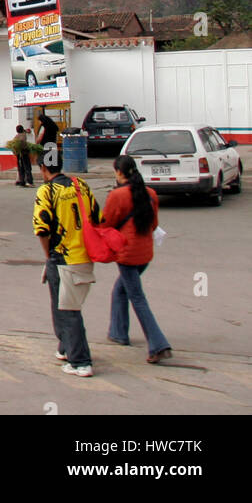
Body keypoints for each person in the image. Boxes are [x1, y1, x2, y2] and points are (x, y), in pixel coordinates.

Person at [33, 151, 100, 377]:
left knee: (68, 312)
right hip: (85, 256)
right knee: (62, 307)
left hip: (63, 258)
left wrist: (47, 255)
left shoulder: (47, 191)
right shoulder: (81, 185)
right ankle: (65, 347)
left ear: (43, 168)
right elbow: (98, 218)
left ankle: (81, 361)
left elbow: (42, 230)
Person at [102, 154, 173, 364]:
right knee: (120, 290)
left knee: (137, 297)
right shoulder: (150, 193)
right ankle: (118, 332)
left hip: (127, 254)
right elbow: (153, 224)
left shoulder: (118, 196)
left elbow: (106, 224)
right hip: (144, 253)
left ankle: (159, 344)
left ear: (119, 172)